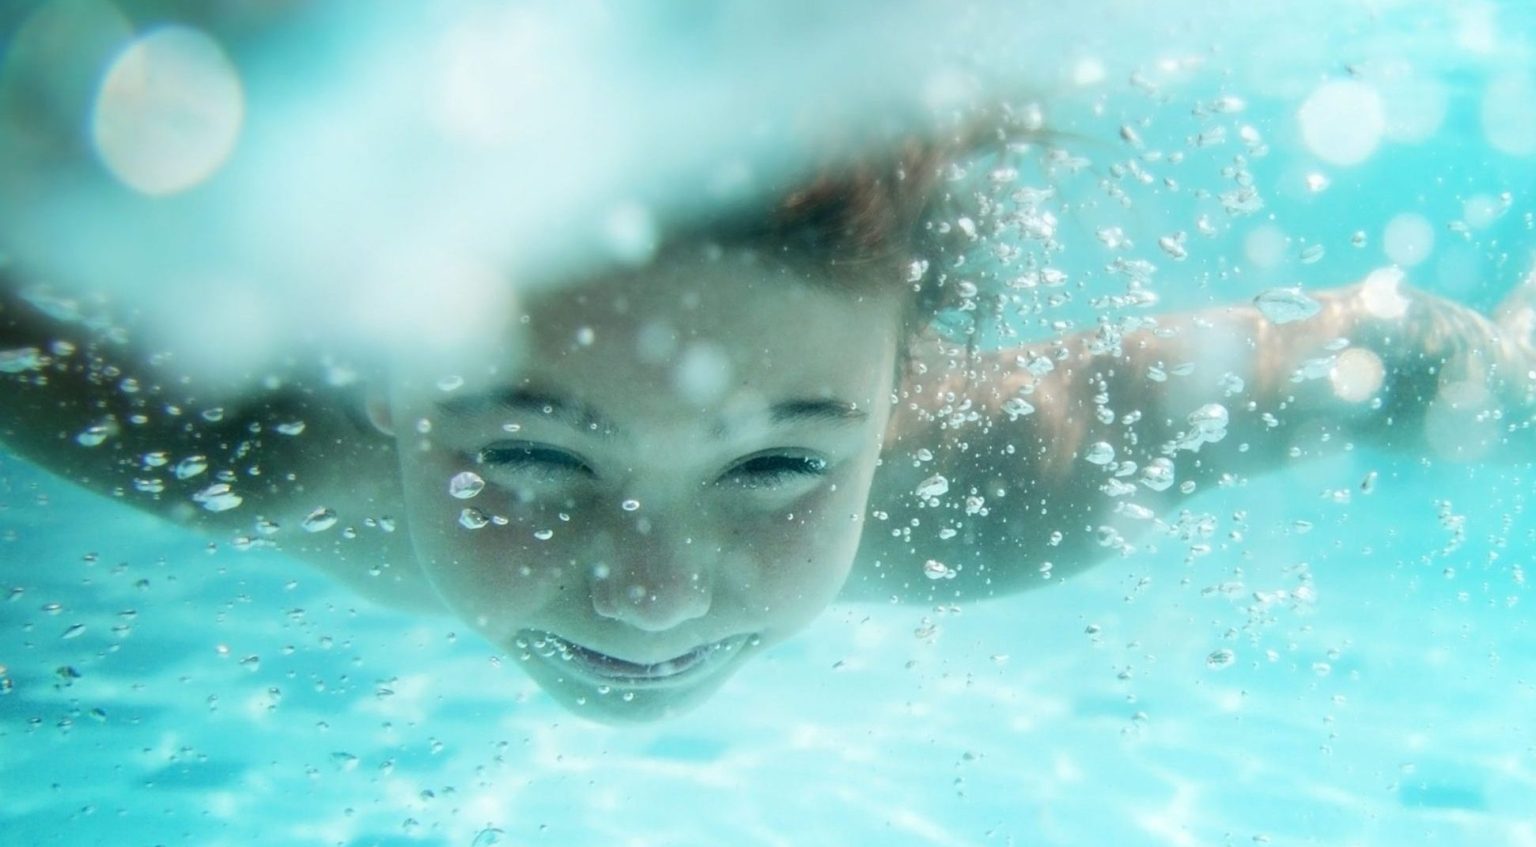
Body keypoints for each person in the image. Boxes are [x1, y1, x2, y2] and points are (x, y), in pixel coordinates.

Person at [2, 128, 1533, 723]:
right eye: (535, 454)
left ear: (902, 391)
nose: (652, 592)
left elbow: (1368, 359)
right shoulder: (241, 435)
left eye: (784, 462)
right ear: (379, 367)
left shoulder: (992, 487)